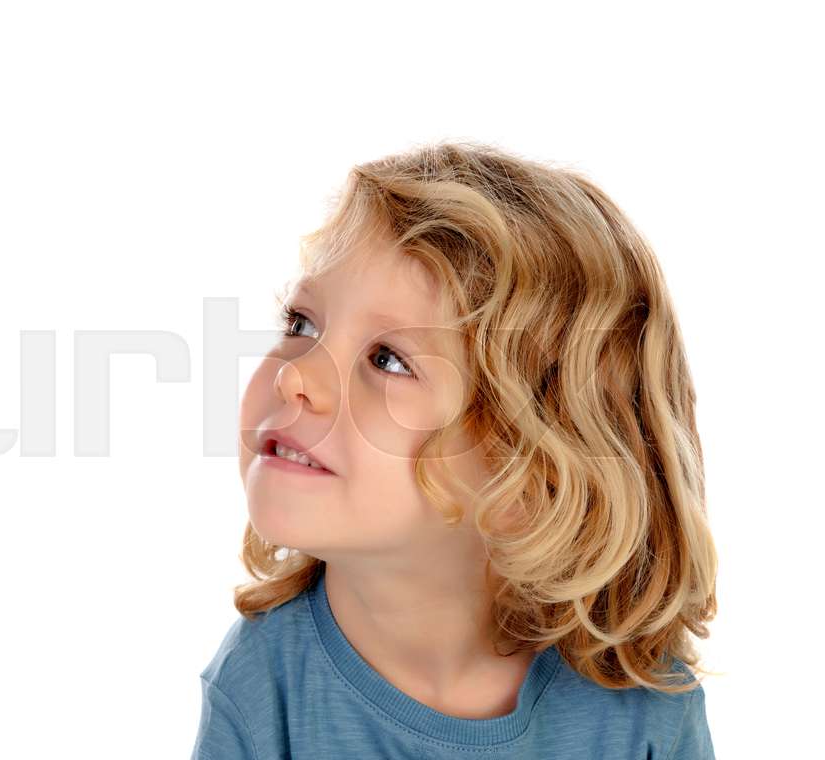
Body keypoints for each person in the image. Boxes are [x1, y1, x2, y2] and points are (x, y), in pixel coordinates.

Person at [192, 142, 718, 759]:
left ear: (533, 481)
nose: (294, 376)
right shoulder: (262, 685)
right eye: (302, 323)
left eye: (388, 359)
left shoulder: (643, 706)